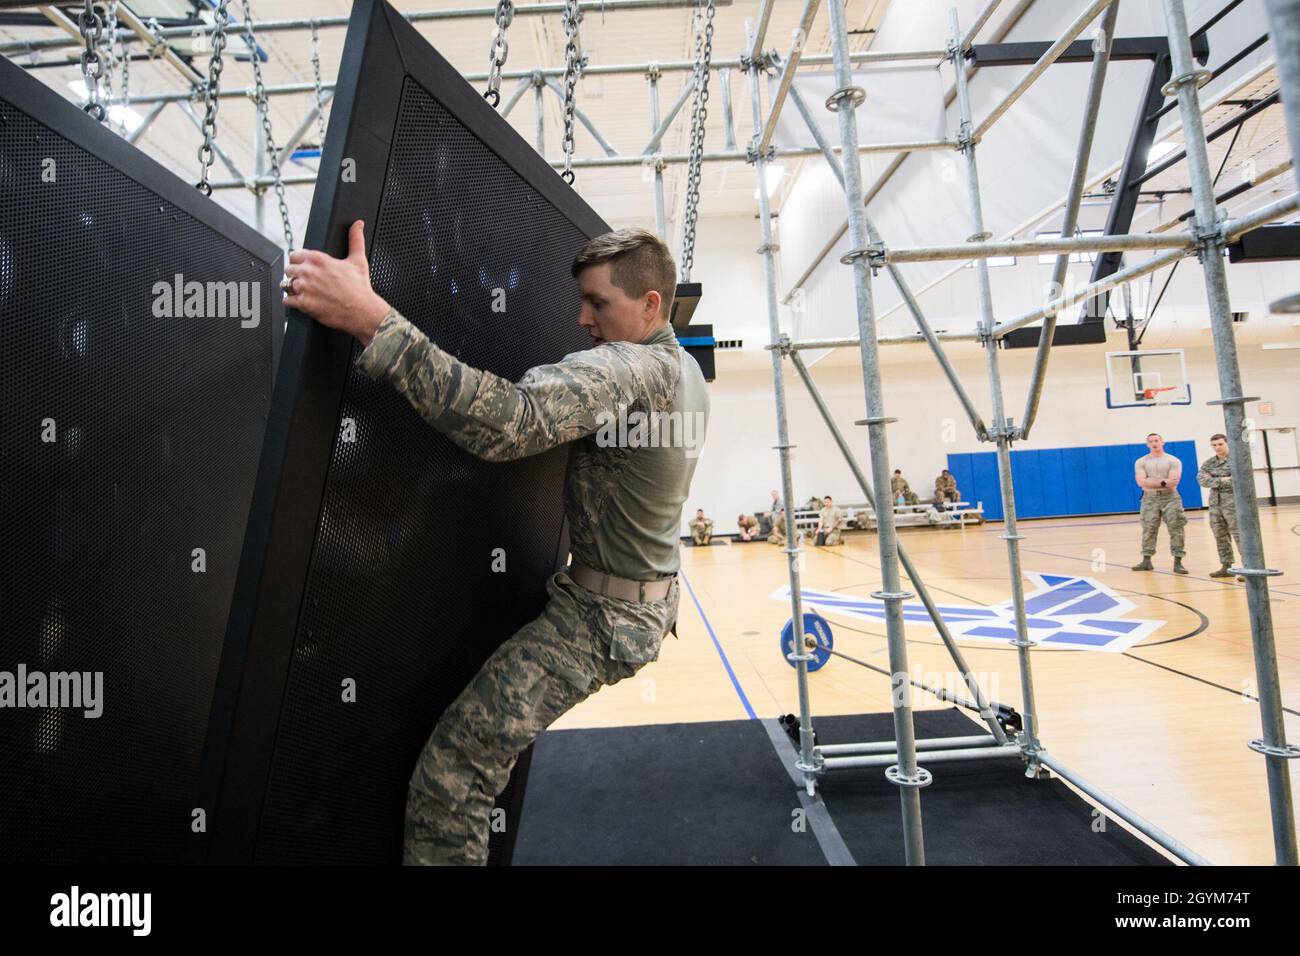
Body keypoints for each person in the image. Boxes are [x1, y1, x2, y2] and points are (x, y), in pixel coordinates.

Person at [282, 221, 709, 865]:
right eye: (583, 300)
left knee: (453, 778)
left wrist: (370, 317)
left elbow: (508, 423)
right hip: (628, 602)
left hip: (601, 620)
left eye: (600, 303)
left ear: (651, 304)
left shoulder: (637, 368)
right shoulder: (686, 372)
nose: (583, 318)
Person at [1131, 432, 1187, 574]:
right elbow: (1140, 481)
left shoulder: (1173, 460)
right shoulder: (1141, 462)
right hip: (1149, 498)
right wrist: (1163, 482)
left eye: (1156, 440)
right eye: (1151, 441)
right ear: (1147, 444)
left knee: (1176, 528)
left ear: (1162, 442)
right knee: (1149, 528)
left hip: (1171, 498)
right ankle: (1146, 560)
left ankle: (1178, 561)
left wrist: (1151, 481)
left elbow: (1174, 481)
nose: (1154, 443)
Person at [1197, 433, 1242, 579]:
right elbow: (1201, 480)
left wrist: (1215, 479)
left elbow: (1238, 479)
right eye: (1214, 445)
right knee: (1220, 535)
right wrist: (1223, 479)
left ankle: (1249, 567)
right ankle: (1226, 566)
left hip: (1234, 504)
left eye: (1220, 444)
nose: (1217, 448)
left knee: (1240, 535)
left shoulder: (1237, 459)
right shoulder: (1209, 462)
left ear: (1227, 443)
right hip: (1215, 505)